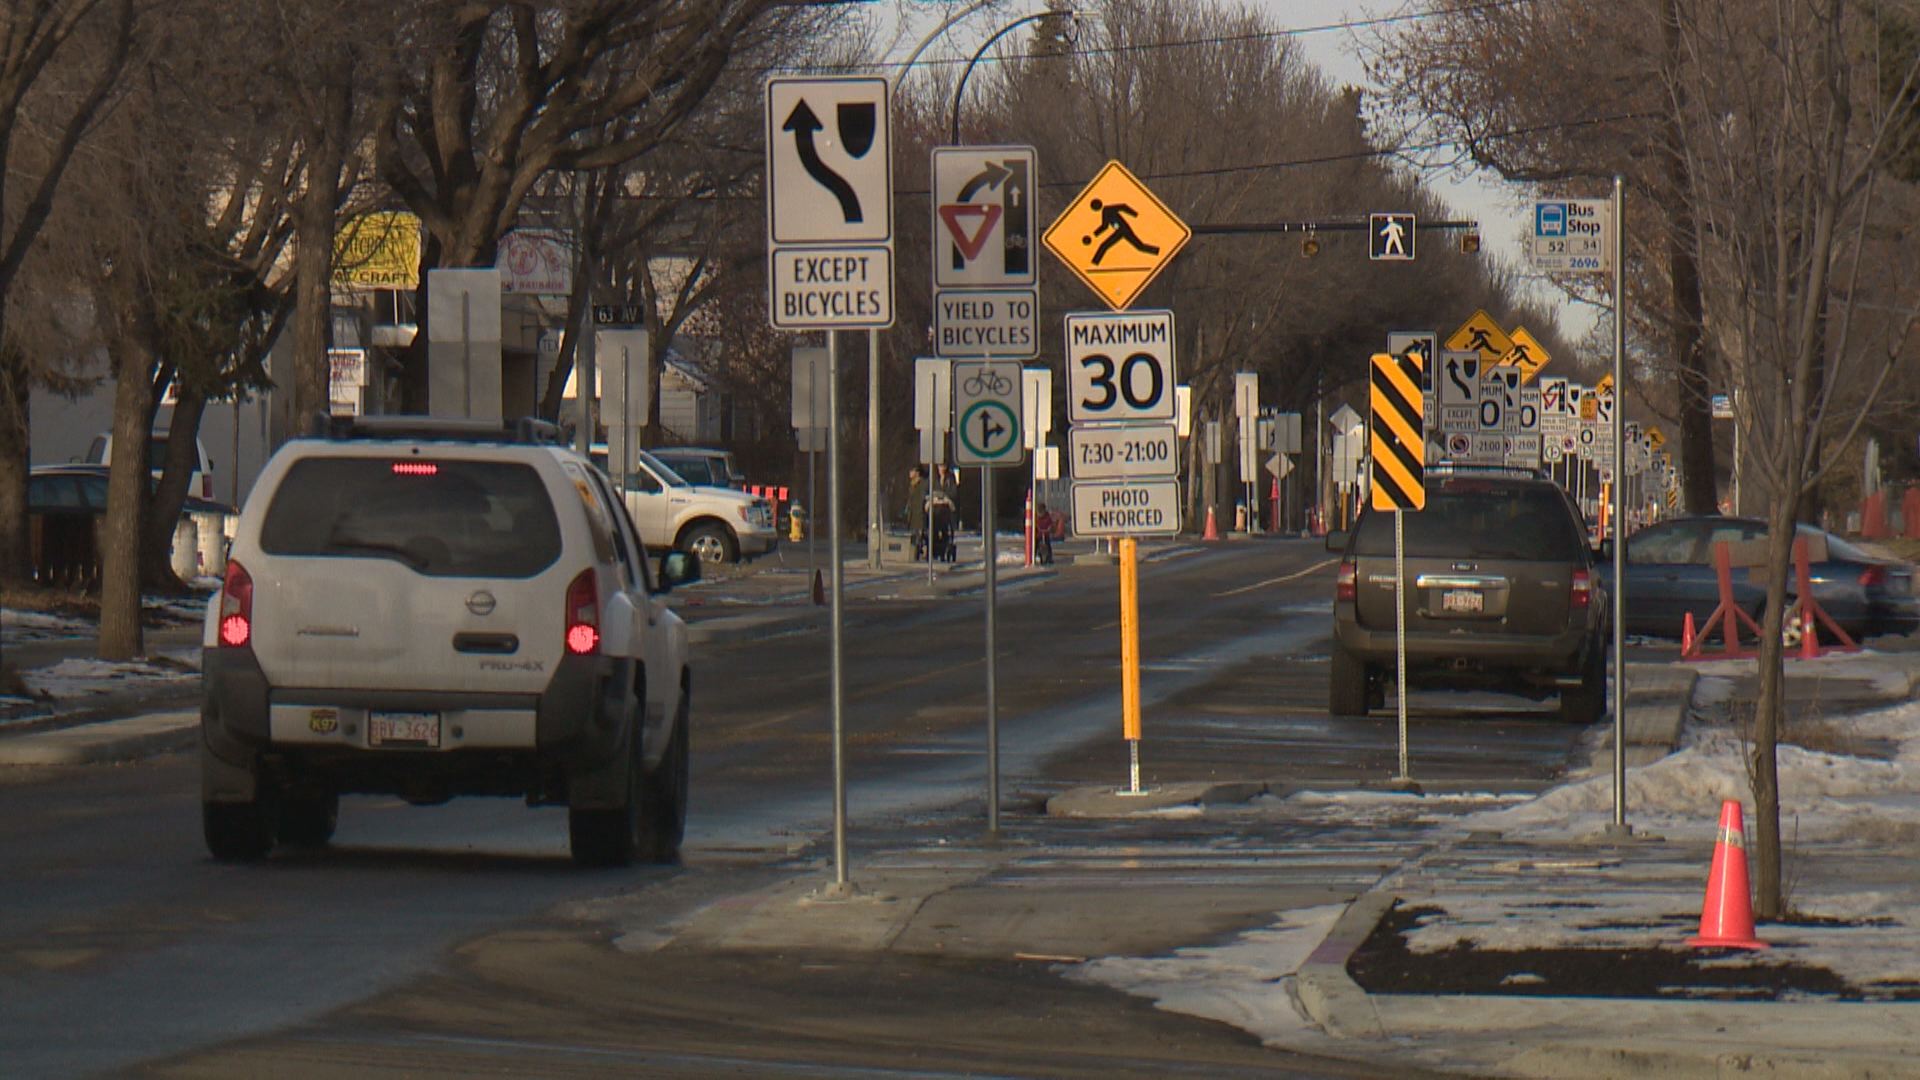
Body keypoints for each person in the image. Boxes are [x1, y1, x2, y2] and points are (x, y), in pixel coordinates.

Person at [930, 464, 958, 563]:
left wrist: (946, 498)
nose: (942, 469)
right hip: (936, 509)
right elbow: (930, 491)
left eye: (943, 466)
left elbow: (954, 492)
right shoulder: (934, 478)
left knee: (946, 532)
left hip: (947, 510)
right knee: (934, 531)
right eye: (940, 466)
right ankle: (935, 552)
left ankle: (944, 552)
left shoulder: (950, 478)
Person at [905, 466, 927, 561]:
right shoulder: (911, 485)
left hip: (919, 513)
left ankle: (919, 549)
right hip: (913, 513)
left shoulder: (922, 484)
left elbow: (921, 499)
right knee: (914, 533)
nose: (910, 473)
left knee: (919, 533)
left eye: (912, 471)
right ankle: (916, 550)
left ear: (917, 473)